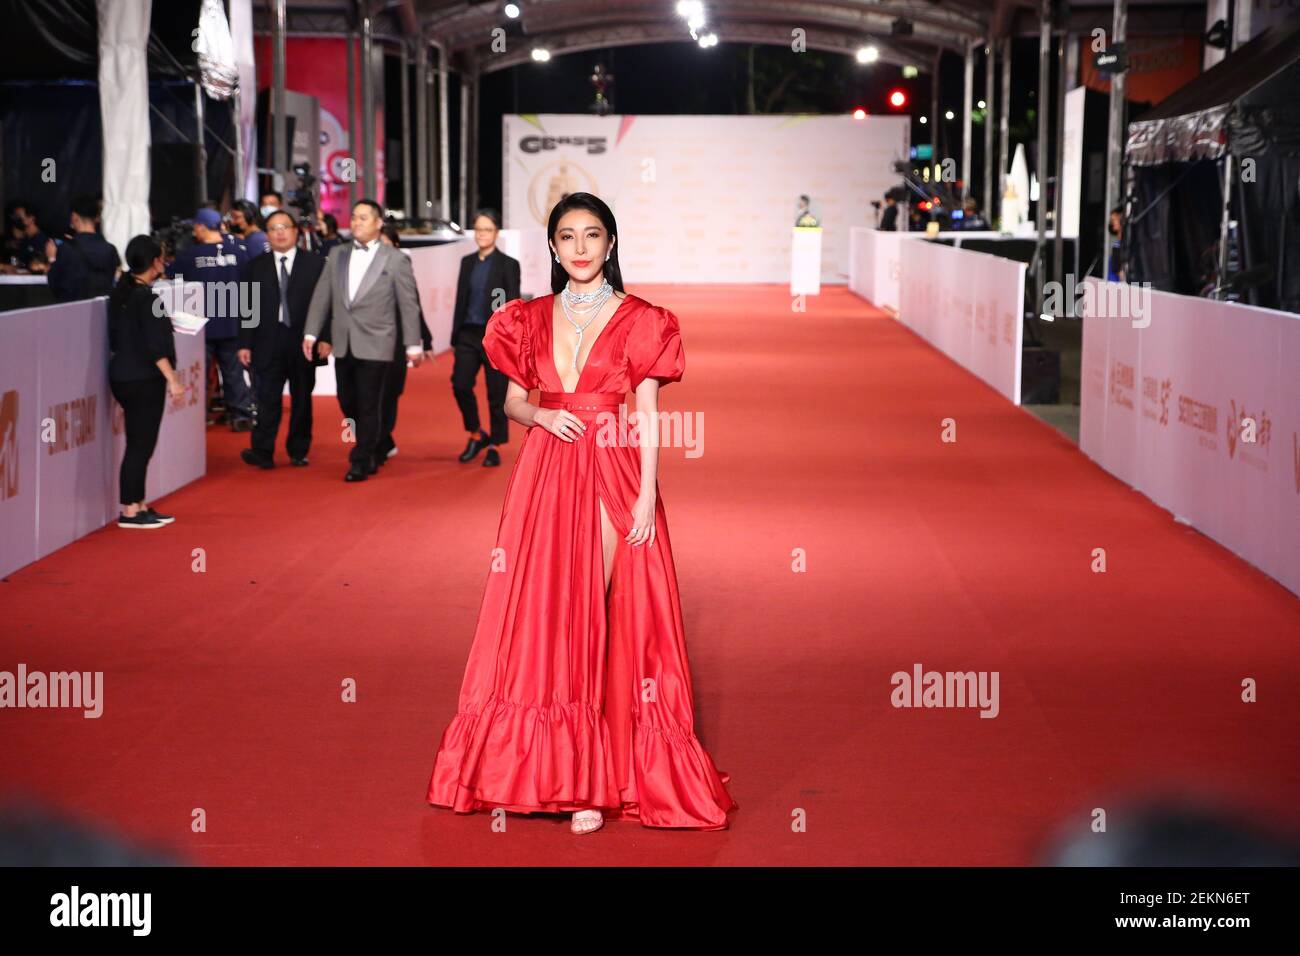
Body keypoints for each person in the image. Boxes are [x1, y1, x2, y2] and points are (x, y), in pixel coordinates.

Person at [425, 191, 737, 834]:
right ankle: (537, 769)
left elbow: (648, 414)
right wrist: (540, 413)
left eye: (592, 235)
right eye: (567, 237)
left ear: (611, 244)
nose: (581, 248)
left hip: (611, 469)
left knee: (593, 612)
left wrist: (647, 492)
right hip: (545, 468)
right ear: (553, 247)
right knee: (542, 617)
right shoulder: (525, 319)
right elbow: (512, 401)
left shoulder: (643, 319)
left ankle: (592, 782)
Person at [303, 198, 423, 482]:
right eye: (354, 217)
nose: (356, 222)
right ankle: (374, 444)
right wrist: (311, 332)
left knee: (369, 402)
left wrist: (413, 343)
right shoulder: (338, 254)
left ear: (379, 223)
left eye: (364, 218)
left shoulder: (395, 259)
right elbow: (323, 295)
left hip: (378, 341)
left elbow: (408, 304)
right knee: (348, 400)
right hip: (344, 341)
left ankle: (361, 458)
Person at [237, 210, 326, 468]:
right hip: (267, 341)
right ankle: (262, 450)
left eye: (284, 227)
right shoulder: (255, 266)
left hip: (304, 342)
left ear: (296, 231)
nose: (279, 232)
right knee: (266, 399)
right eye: (273, 228)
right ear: (267, 234)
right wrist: (244, 342)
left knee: (302, 399)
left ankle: (298, 450)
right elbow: (247, 308)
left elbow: (327, 305)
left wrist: (325, 337)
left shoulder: (316, 264)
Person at [107, 235, 185, 529]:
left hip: (123, 376)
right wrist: (174, 381)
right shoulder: (147, 298)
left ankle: (138, 503)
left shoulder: (121, 293)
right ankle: (130, 510)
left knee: (138, 443)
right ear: (155, 262)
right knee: (141, 445)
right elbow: (155, 347)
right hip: (143, 379)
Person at [168, 207, 253, 430]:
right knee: (233, 372)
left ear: (201, 227)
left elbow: (172, 281)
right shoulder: (238, 253)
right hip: (232, 323)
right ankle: (241, 414)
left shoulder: (190, 256)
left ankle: (198, 416)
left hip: (200, 327)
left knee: (200, 374)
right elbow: (249, 285)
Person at [449, 208, 521, 467]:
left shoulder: (508, 265)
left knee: (496, 393)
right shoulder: (467, 262)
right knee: (460, 384)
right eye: (478, 230)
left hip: (495, 338)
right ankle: (476, 432)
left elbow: (512, 305)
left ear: (497, 233)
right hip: (468, 333)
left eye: (487, 230)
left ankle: (495, 444)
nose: (482, 235)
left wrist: (509, 341)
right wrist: (454, 337)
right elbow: (460, 300)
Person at [375, 223, 433, 464]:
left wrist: (424, 340)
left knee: (390, 393)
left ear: (396, 247)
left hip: (397, 341)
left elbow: (413, 306)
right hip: (369, 341)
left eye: (386, 247)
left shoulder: (401, 266)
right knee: (369, 394)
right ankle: (377, 441)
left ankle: (383, 436)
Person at [45, 195, 120, 302]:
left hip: (73, 310)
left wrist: (52, 258)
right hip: (101, 311)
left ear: (74, 217)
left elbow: (55, 284)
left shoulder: (66, 248)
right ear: (97, 218)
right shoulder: (110, 249)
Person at [2, 200, 47, 270]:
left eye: (20, 216)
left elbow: (37, 266)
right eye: (15, 216)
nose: (17, 219)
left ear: (31, 218)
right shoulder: (23, 240)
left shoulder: (40, 240)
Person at [1107, 207, 1124, 282]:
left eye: (1114, 220)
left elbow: (1121, 275)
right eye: (1111, 220)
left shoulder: (1121, 245)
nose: (1112, 223)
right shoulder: (1117, 245)